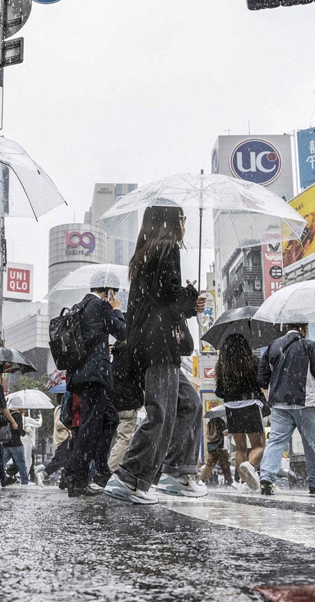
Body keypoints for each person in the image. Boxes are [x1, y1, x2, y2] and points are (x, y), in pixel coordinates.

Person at [105, 204, 207, 504]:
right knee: (160, 413)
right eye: (182, 219)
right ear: (170, 221)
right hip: (159, 345)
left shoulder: (148, 253)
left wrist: (185, 298)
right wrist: (191, 298)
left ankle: (177, 470)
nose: (184, 225)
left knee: (189, 403)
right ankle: (129, 477)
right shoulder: (167, 248)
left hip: (151, 344)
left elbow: (159, 297)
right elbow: (167, 296)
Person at [64, 286, 126, 497]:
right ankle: (75, 476)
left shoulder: (78, 306)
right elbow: (121, 331)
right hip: (93, 374)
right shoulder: (100, 305)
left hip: (80, 374)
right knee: (91, 425)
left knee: (108, 419)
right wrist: (116, 309)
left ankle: (99, 469)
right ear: (109, 292)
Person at [257, 323, 315, 496]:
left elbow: (261, 379)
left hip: (280, 403)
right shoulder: (309, 345)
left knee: (276, 441)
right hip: (306, 402)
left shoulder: (273, 347)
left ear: (287, 326)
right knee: (312, 444)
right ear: (304, 328)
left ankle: (267, 479)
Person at [214, 334, 266, 492]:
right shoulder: (253, 362)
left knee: (240, 448)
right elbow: (261, 383)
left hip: (231, 408)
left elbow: (219, 392)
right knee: (259, 446)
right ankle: (249, 466)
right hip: (250, 404)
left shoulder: (221, 366)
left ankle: (244, 483)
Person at [106, 341, 142, 475]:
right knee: (123, 439)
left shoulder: (113, 360)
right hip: (128, 404)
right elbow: (139, 379)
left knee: (111, 439)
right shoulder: (132, 358)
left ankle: (102, 468)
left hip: (113, 404)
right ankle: (109, 470)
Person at [0, 407, 30, 486]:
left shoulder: (6, 414)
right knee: (21, 464)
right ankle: (24, 481)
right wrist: (23, 432)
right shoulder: (17, 415)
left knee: (1, 462)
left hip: (6, 443)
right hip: (16, 443)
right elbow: (18, 429)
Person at [201, 417, 233, 487]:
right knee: (225, 465)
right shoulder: (220, 421)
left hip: (211, 446)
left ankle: (202, 480)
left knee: (209, 464)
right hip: (220, 446)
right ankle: (229, 482)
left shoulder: (210, 422)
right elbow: (225, 433)